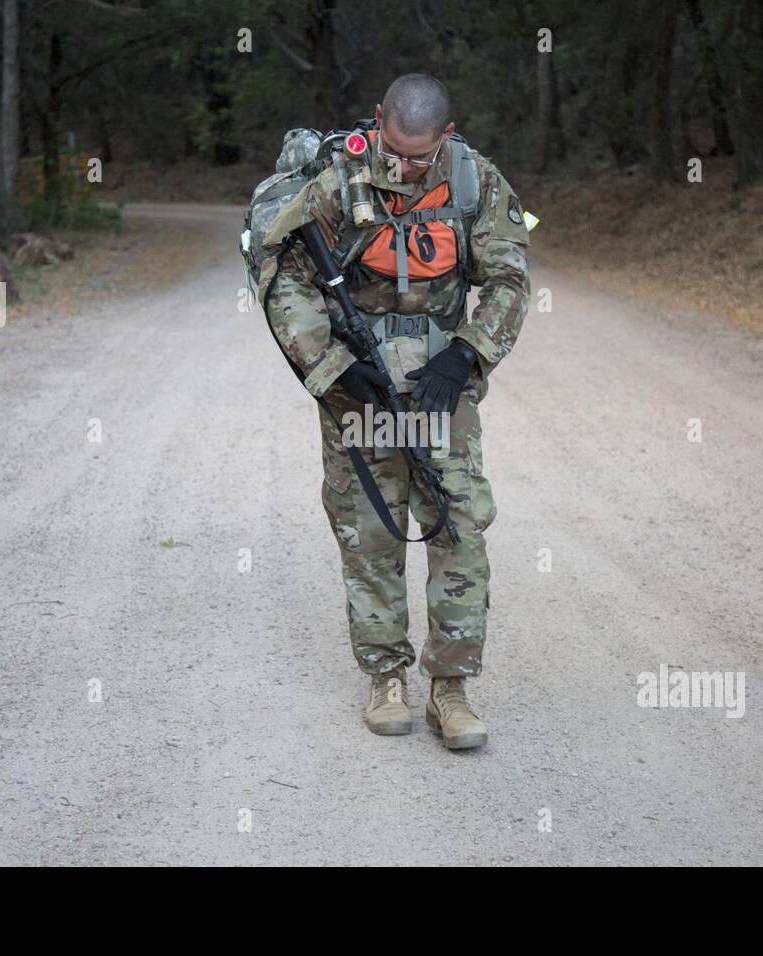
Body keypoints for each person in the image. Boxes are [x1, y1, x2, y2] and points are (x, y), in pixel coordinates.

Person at [259, 73, 530, 750]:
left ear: (447, 133)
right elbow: (283, 275)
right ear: (378, 119)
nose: (402, 166)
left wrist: (466, 353)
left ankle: (452, 687)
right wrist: (331, 366)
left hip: (443, 392)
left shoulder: (475, 183)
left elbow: (509, 279)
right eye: (393, 149)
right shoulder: (338, 182)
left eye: (418, 156)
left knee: (458, 526)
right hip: (359, 390)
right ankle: (384, 676)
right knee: (369, 532)